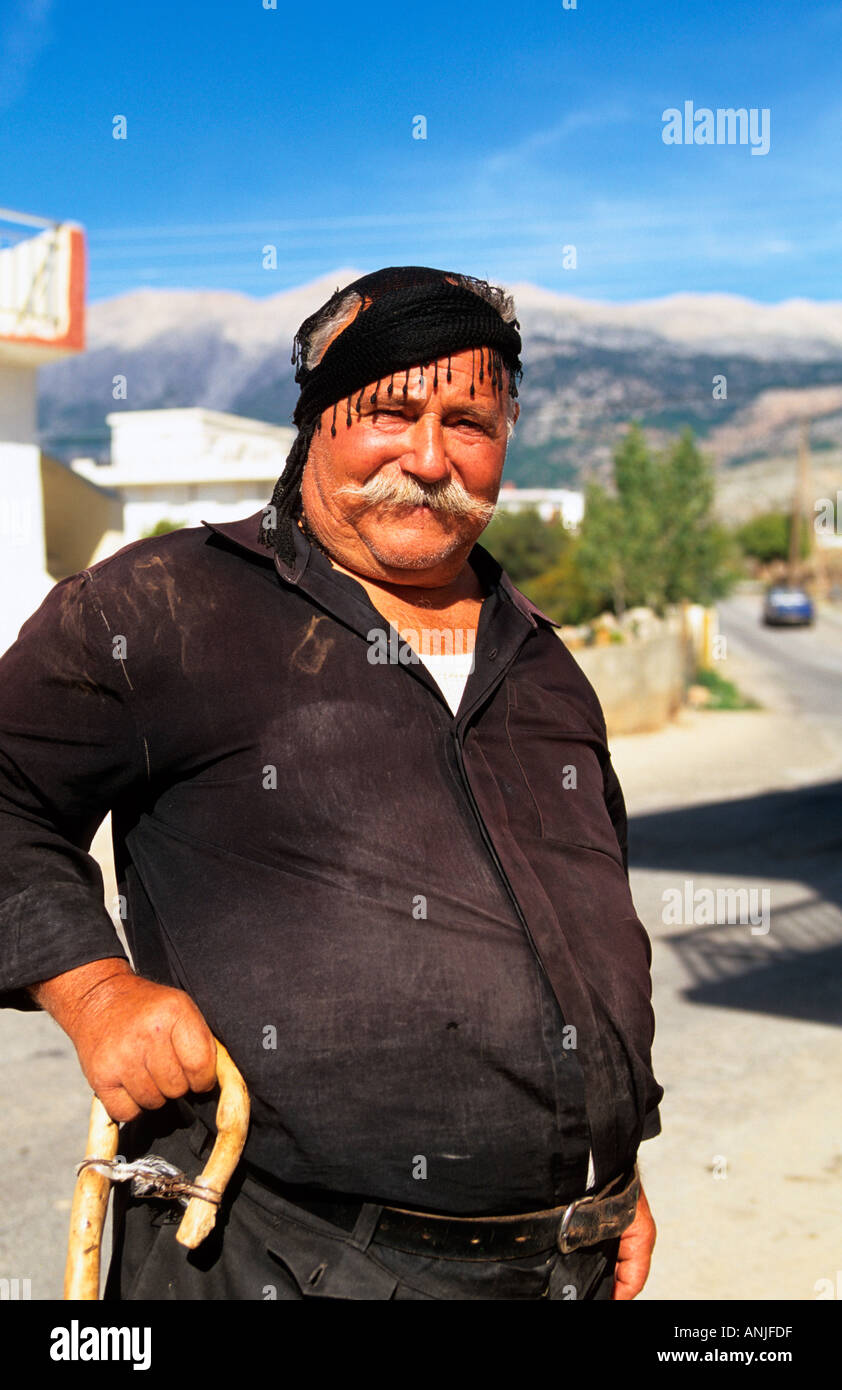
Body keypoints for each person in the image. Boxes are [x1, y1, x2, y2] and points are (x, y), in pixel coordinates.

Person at [0, 265, 662, 1301]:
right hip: (286, 1255)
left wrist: (606, 1175)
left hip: (567, 1262)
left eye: (470, 421)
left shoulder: (540, 659)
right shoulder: (168, 605)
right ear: (314, 424)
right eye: (390, 412)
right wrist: (95, 990)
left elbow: (577, 933)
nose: (429, 457)